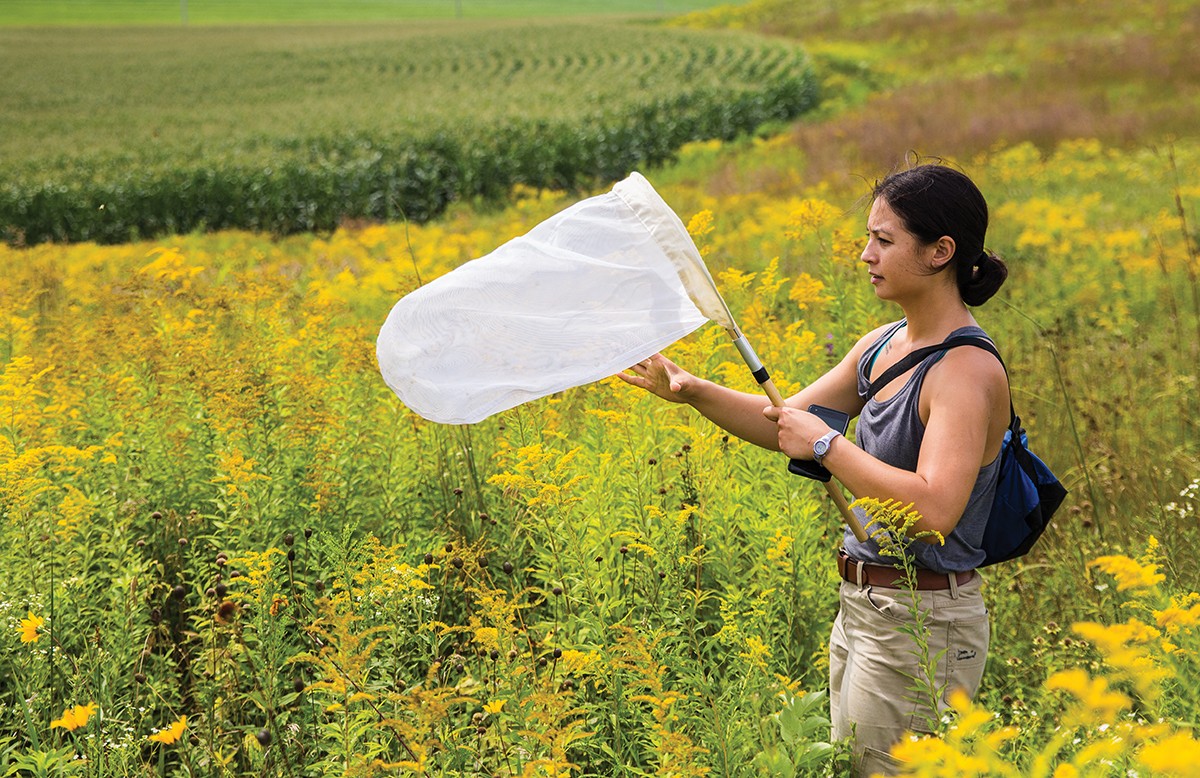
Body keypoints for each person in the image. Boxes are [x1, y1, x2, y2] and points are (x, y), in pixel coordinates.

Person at [617, 163, 1010, 776]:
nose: (865, 254)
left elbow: (934, 512)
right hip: (867, 603)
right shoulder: (883, 345)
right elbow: (786, 421)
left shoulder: (965, 372)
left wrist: (828, 445)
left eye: (884, 240)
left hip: (923, 619)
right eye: (869, 237)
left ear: (941, 252)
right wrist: (692, 390)